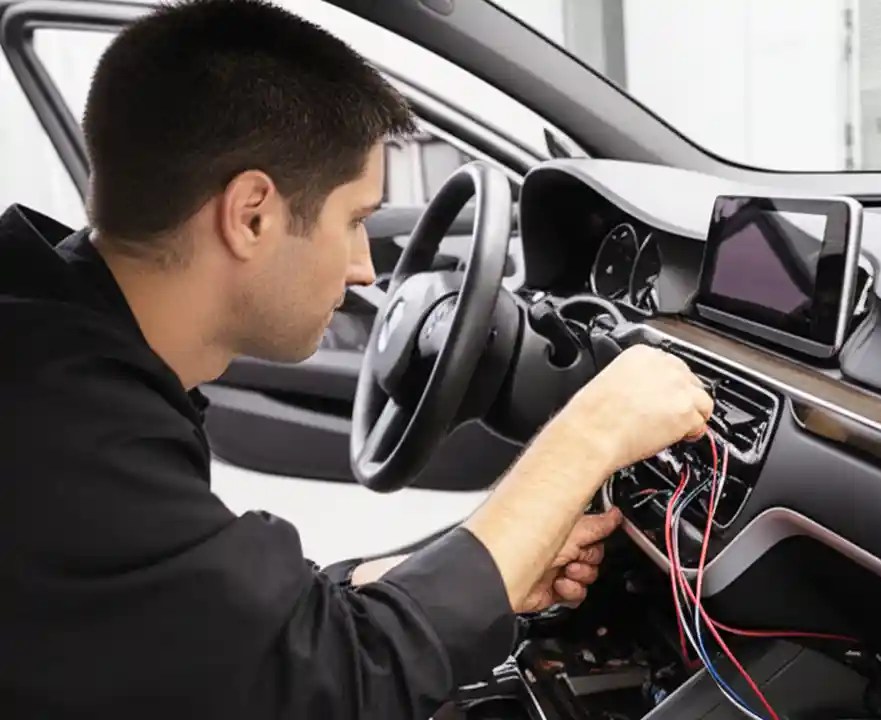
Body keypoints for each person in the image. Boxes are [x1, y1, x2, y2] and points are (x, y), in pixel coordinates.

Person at [0, 1, 713, 718]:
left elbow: (210, 622)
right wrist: (593, 431)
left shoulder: (57, 356)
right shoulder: (60, 431)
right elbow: (336, 685)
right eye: (356, 221)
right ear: (251, 215)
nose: (365, 269)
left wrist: (454, 576)